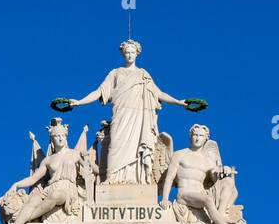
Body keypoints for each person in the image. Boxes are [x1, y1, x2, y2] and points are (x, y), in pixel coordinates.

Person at [63, 39, 190, 184]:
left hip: (139, 118)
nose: (130, 55)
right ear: (123, 54)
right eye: (127, 52)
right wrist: (79, 102)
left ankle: (137, 180)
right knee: (115, 144)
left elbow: (159, 94)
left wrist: (179, 102)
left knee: (137, 148)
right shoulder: (116, 73)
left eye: (132, 52)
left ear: (137, 54)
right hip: (121, 115)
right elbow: (99, 92)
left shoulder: (143, 74)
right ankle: (112, 178)